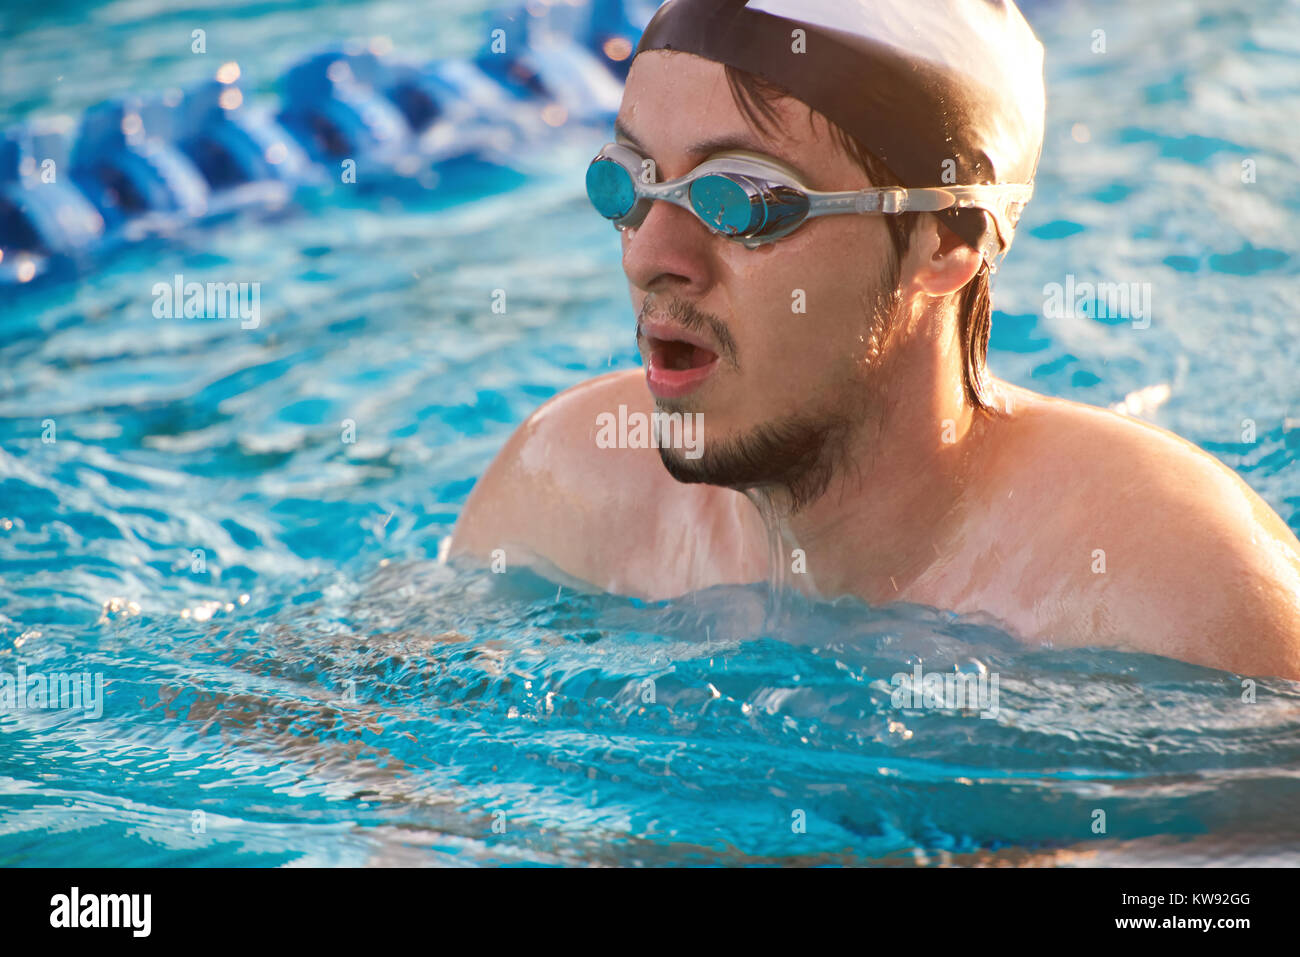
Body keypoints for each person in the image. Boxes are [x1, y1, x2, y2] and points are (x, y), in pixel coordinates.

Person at [452, 0, 1300, 679]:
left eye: (742, 200)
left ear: (946, 243)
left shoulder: (1172, 593)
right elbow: (389, 788)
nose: (651, 255)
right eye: (632, 183)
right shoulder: (565, 488)